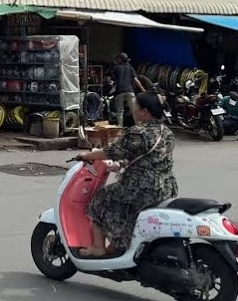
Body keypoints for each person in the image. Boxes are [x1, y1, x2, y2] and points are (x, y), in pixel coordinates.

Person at [76, 92, 178, 257]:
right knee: (126, 208)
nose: (133, 110)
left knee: (100, 198)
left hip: (142, 188)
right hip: (166, 186)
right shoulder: (166, 132)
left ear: (144, 111)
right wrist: (122, 165)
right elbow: (151, 158)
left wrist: (88, 155)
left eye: (136, 107)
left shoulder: (138, 132)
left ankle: (97, 247)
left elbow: (112, 151)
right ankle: (120, 243)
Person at [110, 53, 145, 126]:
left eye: (117, 59)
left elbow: (113, 81)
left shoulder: (116, 68)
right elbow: (136, 80)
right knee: (134, 110)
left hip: (119, 91)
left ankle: (120, 127)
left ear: (120, 59)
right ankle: (139, 127)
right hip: (130, 91)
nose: (116, 60)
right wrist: (143, 89)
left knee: (120, 111)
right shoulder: (131, 68)